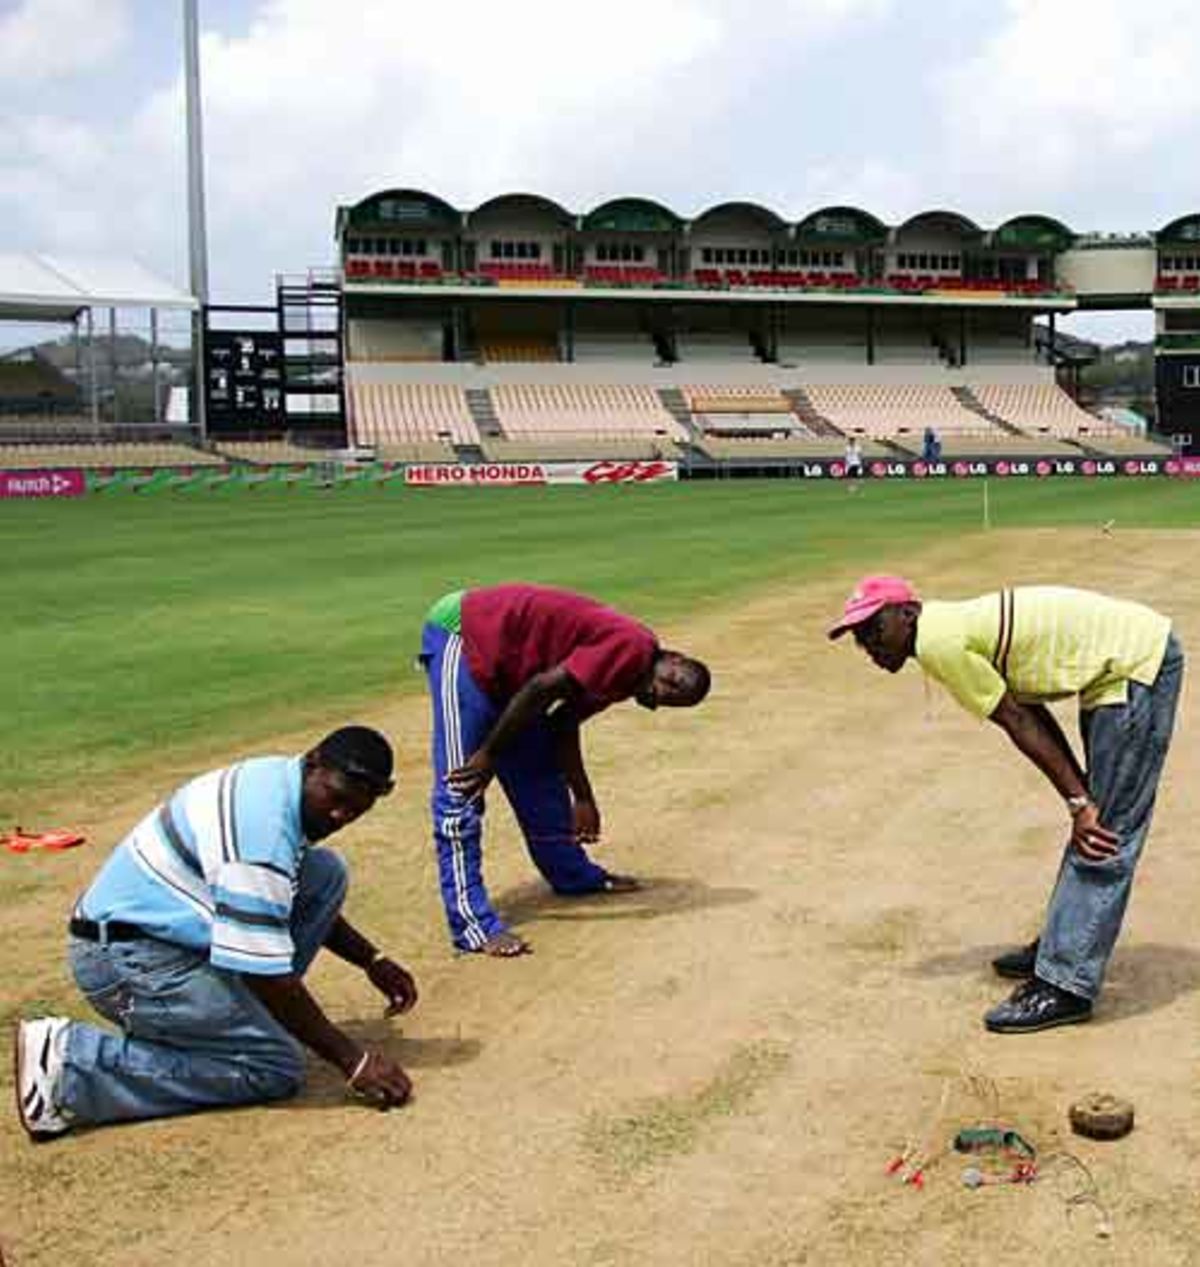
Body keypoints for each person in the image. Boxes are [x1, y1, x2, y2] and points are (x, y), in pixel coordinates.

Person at [14, 726, 418, 1140]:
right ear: (313, 761)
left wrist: (372, 959)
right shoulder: (262, 835)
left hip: (151, 940)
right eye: (336, 798)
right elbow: (270, 977)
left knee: (324, 874)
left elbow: (281, 898)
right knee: (276, 1066)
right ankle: (71, 1062)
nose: (340, 816)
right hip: (123, 962)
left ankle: (227, 1022)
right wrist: (353, 1061)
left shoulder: (279, 782)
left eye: (356, 809)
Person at [829, 576, 1183, 1034]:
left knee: (1104, 833)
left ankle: (1066, 983)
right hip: (1121, 666)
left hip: (1134, 665)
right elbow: (1027, 712)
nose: (869, 645)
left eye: (874, 628)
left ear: (907, 613)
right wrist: (1078, 796)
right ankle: (1062, 945)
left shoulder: (939, 641)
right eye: (860, 638)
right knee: (1095, 818)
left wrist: (1080, 803)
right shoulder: (943, 629)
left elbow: (1016, 720)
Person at [419, 584, 711, 957]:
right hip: (467, 633)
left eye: (669, 697)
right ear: (671, 655)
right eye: (670, 680)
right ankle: (471, 925)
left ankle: (572, 876)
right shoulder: (633, 651)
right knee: (461, 787)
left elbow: (561, 724)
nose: (660, 691)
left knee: (538, 771)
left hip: (513, 671)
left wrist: (583, 796)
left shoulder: (630, 676)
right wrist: (489, 753)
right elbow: (542, 688)